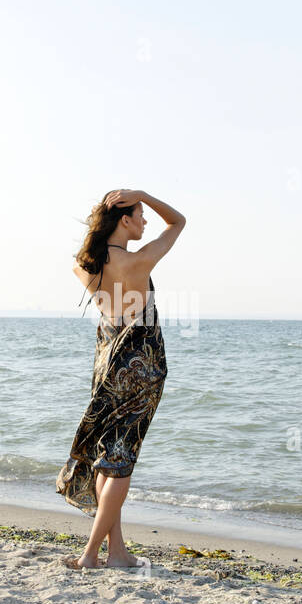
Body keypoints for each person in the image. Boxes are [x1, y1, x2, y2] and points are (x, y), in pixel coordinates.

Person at [56, 188, 186, 568]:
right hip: (143, 368)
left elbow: (82, 255)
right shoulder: (140, 261)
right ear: (124, 220)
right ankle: (90, 555)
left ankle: (117, 552)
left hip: (106, 365)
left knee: (107, 458)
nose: (146, 221)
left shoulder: (87, 268)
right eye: (140, 214)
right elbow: (179, 221)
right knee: (121, 462)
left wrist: (104, 221)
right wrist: (143, 193)